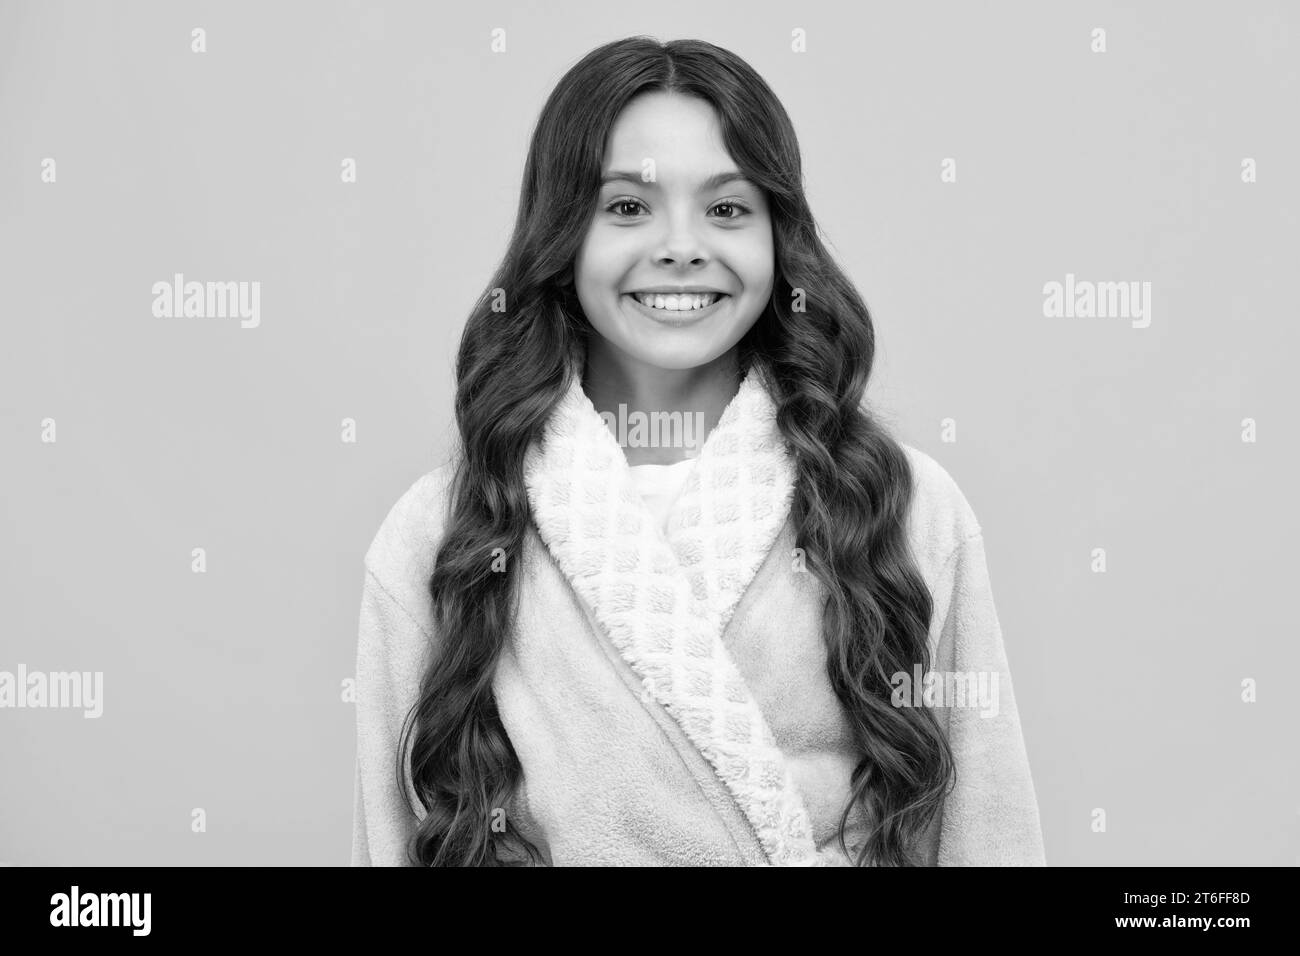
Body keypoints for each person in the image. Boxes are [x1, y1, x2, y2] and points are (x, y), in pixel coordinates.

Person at [351, 36, 1045, 866]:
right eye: (627, 207)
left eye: (726, 208)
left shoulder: (907, 506)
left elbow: (990, 833)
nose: (681, 246)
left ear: (778, 238)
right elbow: (388, 843)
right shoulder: (441, 532)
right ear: (562, 237)